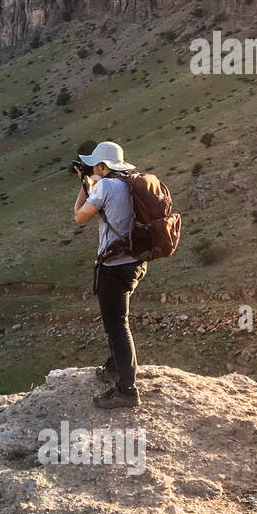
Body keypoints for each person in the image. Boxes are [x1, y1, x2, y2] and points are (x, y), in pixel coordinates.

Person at [72, 141, 146, 409]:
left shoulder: (104, 185)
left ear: (103, 166)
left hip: (113, 267)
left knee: (117, 326)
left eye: (95, 165)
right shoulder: (129, 182)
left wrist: (84, 184)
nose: (93, 169)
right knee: (116, 321)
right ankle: (115, 368)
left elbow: (80, 217)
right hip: (135, 262)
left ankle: (127, 390)